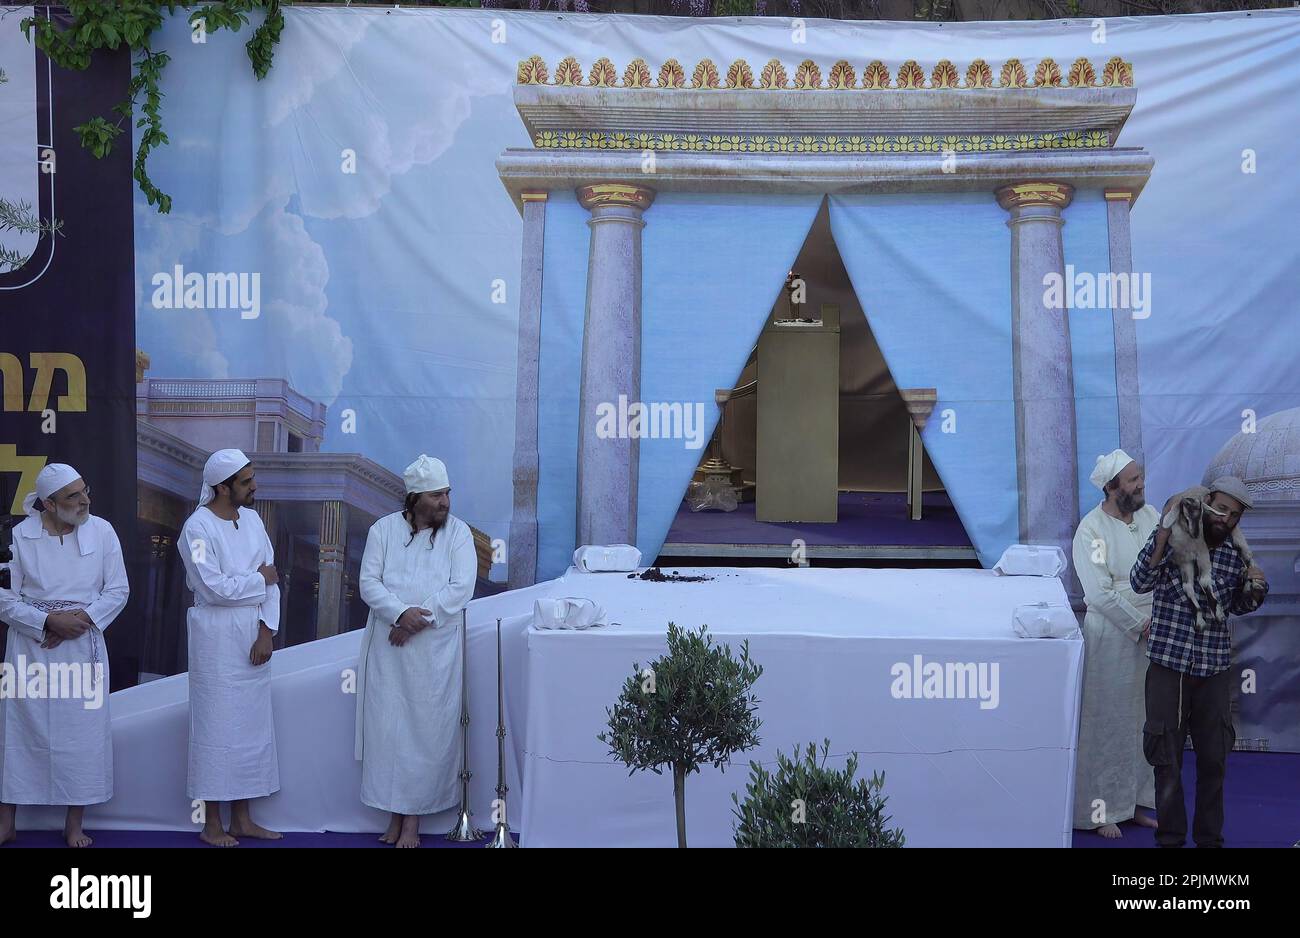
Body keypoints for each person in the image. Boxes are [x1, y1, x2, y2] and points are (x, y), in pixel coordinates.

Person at [1130, 475, 1268, 848]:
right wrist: (1161, 533)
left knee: (1214, 761)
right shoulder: (1174, 538)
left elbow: (1234, 606)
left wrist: (1255, 588)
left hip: (1213, 669)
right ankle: (1171, 840)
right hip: (1169, 667)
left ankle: (1210, 841)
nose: (1226, 518)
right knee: (1166, 759)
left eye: (1234, 515)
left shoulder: (1234, 552)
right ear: (1206, 502)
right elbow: (1139, 582)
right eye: (1221, 508)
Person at [0, 464, 128, 847]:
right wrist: (46, 621)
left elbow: (118, 590)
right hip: (30, 647)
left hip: (82, 644)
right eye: (73, 495)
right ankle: (7, 822)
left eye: (84, 490)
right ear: (48, 504)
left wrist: (80, 620)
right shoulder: (17, 535)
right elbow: (4, 596)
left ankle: (74, 825)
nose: (85, 499)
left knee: (82, 734)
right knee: (19, 731)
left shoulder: (103, 531)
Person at [356, 455, 476, 848]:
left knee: (425, 734)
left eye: (447, 493)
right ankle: (394, 817)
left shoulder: (458, 534)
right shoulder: (383, 531)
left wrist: (415, 620)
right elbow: (369, 582)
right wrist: (398, 614)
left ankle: (412, 825)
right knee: (390, 733)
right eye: (437, 495)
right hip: (389, 650)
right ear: (415, 498)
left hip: (433, 653)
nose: (445, 502)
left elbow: (461, 587)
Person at [177, 449, 282, 847]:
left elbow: (273, 577)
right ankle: (212, 826)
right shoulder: (197, 528)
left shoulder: (253, 520)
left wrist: (267, 631)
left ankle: (243, 819)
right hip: (216, 639)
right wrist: (257, 580)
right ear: (222, 487)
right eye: (245, 481)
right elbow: (211, 587)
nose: (254, 486)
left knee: (251, 730)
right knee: (215, 728)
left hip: (253, 635)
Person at [1071, 450, 1159, 838]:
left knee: (1145, 719)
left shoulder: (1151, 516)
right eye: (1133, 480)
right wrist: (1140, 623)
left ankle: (1136, 803)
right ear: (1110, 488)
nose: (1141, 485)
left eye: (1140, 477)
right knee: (1107, 722)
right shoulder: (1091, 529)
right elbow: (1099, 594)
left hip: (1155, 632)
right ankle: (1101, 809)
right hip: (1113, 636)